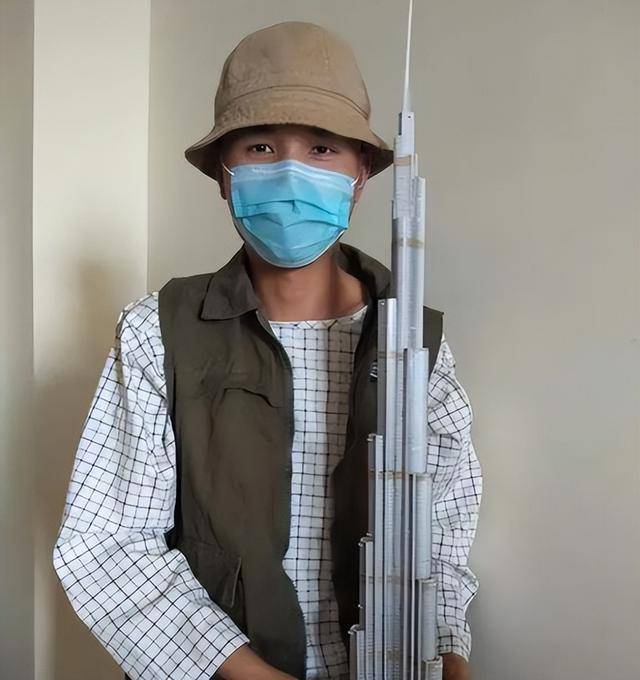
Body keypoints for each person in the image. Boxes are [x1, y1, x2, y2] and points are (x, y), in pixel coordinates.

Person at [52, 20, 482, 680]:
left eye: (321, 147)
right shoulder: (157, 331)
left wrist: (447, 662)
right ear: (223, 176)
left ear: (362, 174)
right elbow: (108, 545)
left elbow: (440, 543)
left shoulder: (413, 342)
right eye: (259, 146)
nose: (289, 173)